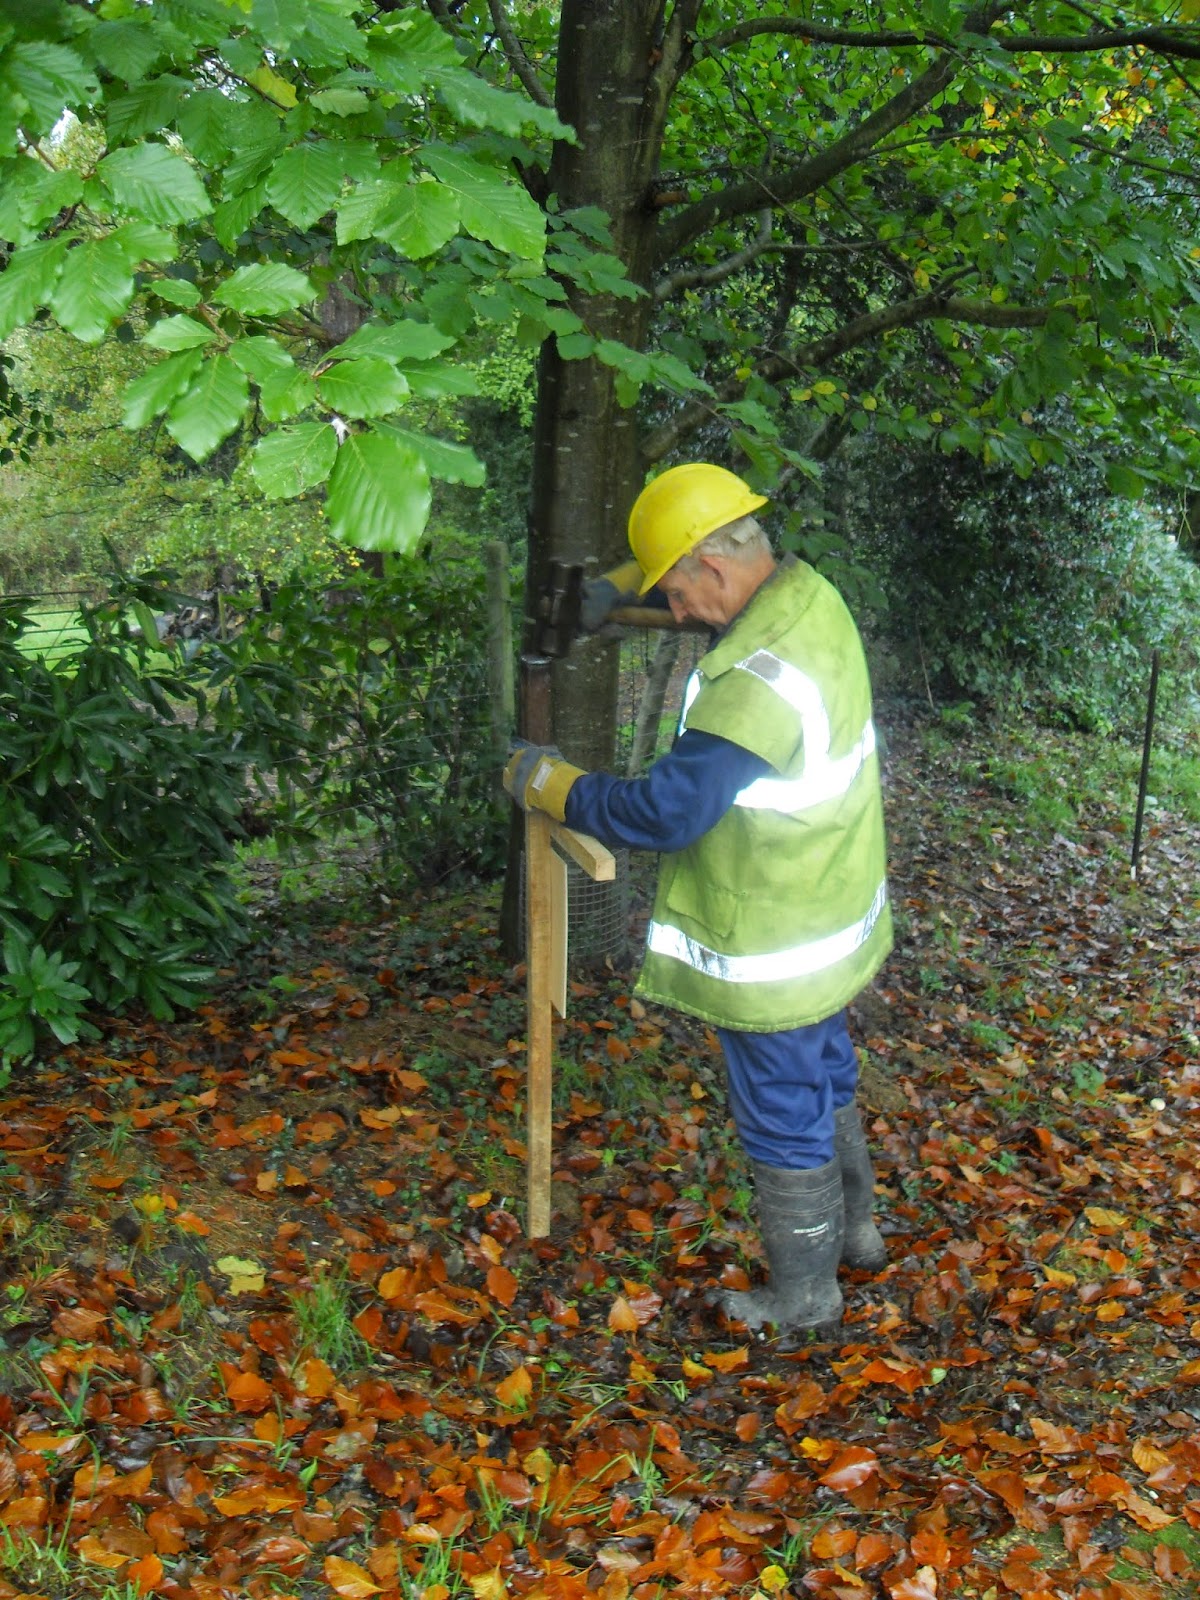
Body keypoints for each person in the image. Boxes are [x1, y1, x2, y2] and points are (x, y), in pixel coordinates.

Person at [505, 463, 892, 1335]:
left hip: (774, 941)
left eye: (679, 595)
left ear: (715, 569)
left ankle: (805, 1297)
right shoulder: (808, 596)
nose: (675, 615)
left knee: (782, 1106)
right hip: (829, 911)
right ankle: (857, 1234)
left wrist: (553, 782)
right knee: (826, 1071)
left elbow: (668, 810)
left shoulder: (756, 678)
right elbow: (685, 568)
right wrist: (612, 590)